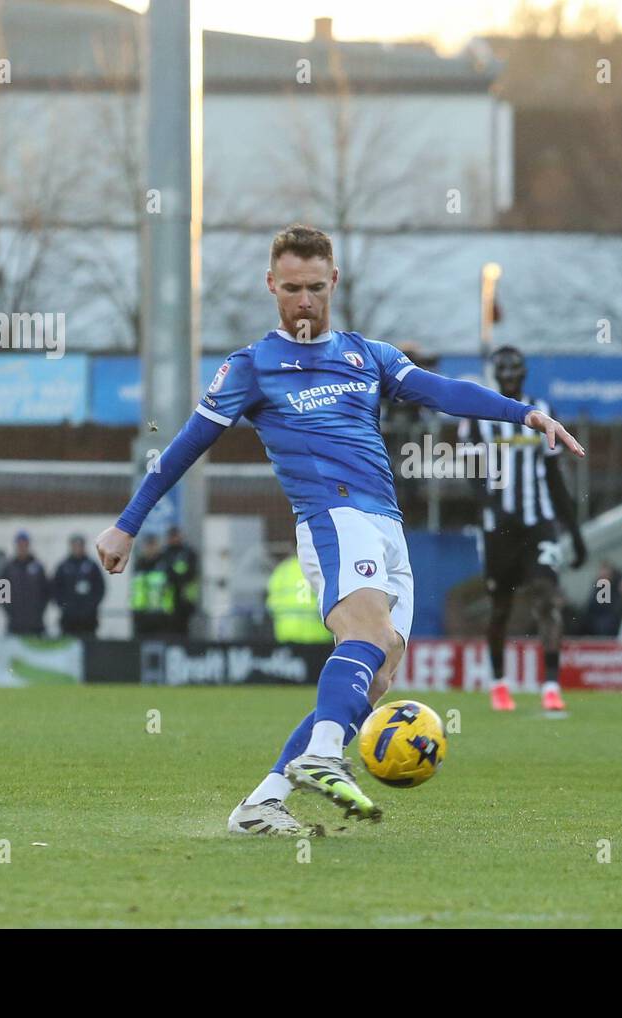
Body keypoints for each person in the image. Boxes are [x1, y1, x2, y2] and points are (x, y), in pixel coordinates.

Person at [95, 224, 584, 835]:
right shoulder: (252, 366)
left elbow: (443, 391)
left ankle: (261, 802)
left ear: (335, 282)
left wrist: (526, 413)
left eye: (315, 287)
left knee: (380, 672)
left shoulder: (366, 354)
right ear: (271, 285)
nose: (304, 301)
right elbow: (183, 449)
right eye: (292, 288)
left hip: (386, 523)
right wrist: (127, 524)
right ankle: (325, 756)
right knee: (369, 633)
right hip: (331, 516)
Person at [456, 344, 586, 714]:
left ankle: (551, 686)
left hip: (538, 523)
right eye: (504, 370)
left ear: (524, 373)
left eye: (515, 370)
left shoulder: (543, 411)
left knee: (547, 597)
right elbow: (472, 474)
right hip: (499, 527)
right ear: (496, 375)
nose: (510, 377)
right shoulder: (476, 417)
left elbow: (554, 475)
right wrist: (492, 505)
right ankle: (498, 682)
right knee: (501, 606)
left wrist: (573, 530)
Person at [266, 554, 333, 643]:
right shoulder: (322, 567)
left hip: (286, 636)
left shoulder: (283, 570)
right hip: (318, 638)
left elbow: (271, 605)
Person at [52, 534, 105, 637]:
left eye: (79, 545)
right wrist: (64, 607)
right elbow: (55, 589)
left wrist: (91, 606)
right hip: (68, 618)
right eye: (75, 545)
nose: (77, 548)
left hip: (88, 619)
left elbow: (100, 588)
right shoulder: (63, 566)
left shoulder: (91, 565)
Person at [1, 530, 49, 637]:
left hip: (35, 624)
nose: (22, 547)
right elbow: (1, 595)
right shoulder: (8, 569)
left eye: (24, 544)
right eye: (20, 544)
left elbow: (46, 592)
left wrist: (38, 611)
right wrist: (10, 612)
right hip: (14, 624)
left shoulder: (38, 567)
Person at [130, 533, 172, 637]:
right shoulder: (139, 564)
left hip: (161, 614)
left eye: (152, 545)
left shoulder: (165, 563)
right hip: (141, 614)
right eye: (147, 545)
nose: (150, 548)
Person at [160, 525, 200, 637]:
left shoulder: (188, 552)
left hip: (184, 598)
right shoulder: (165, 553)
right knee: (168, 628)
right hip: (168, 600)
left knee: (184, 628)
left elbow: (191, 573)